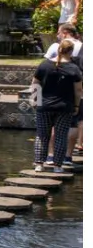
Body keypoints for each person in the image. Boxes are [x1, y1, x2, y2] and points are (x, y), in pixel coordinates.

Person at [31, 38, 82, 174]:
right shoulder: (73, 68)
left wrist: (35, 100)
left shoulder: (44, 65)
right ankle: (58, 166)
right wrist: (76, 106)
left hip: (44, 106)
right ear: (70, 51)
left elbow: (35, 83)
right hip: (64, 107)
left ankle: (39, 164)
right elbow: (78, 90)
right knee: (61, 136)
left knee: (42, 135)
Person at [45, 24, 84, 162]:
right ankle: (68, 155)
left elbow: (45, 68)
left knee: (54, 125)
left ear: (65, 33)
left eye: (58, 33)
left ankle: (50, 155)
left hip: (53, 92)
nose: (57, 35)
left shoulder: (55, 46)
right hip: (75, 91)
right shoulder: (82, 46)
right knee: (74, 123)